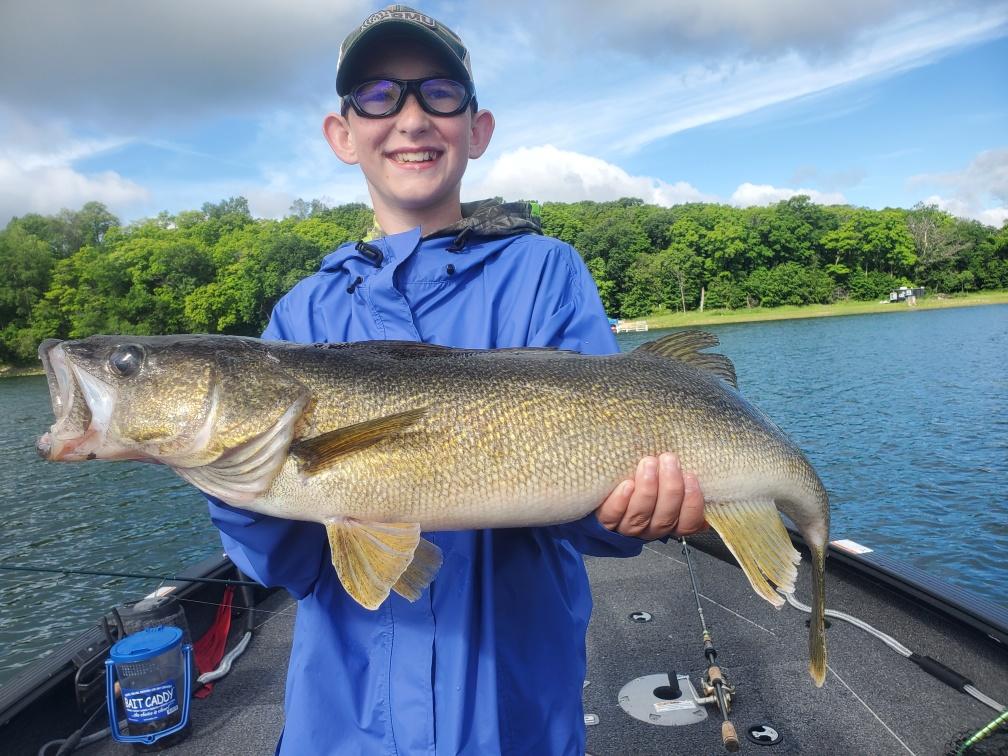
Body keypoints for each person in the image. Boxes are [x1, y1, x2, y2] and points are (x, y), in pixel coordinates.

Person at [207, 6, 706, 754]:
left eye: (439, 93)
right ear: (342, 133)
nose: (410, 118)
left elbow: (589, 511)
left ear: (477, 129)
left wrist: (633, 510)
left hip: (513, 719)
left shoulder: (547, 272)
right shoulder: (300, 313)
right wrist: (228, 477)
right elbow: (292, 563)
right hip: (344, 726)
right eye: (377, 95)